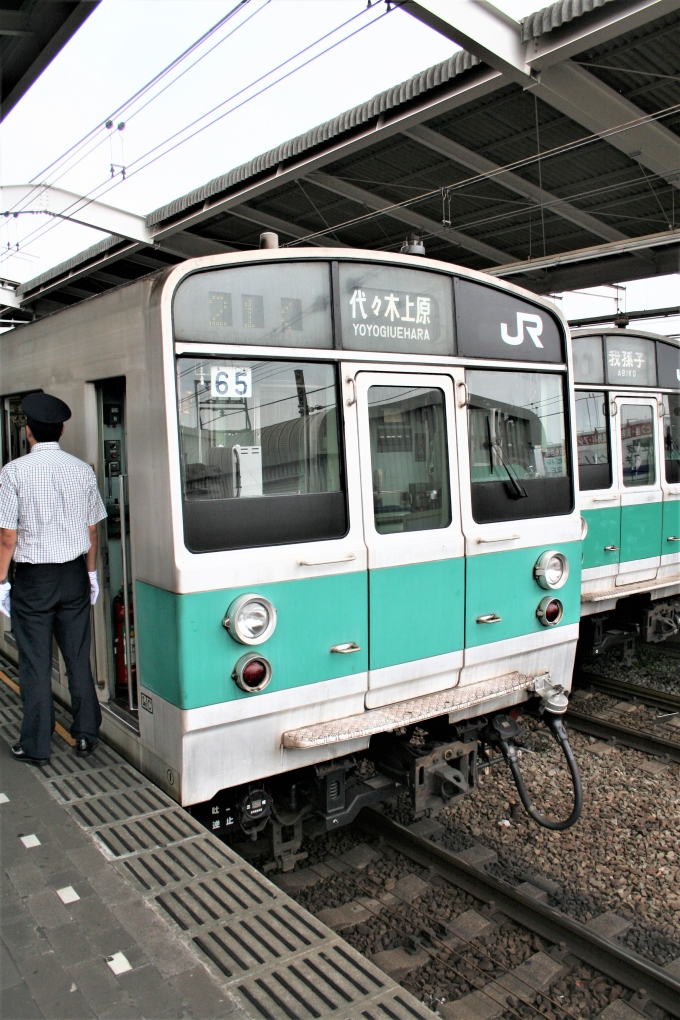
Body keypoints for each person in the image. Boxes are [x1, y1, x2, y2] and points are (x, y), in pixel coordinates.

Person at [0, 393, 108, 766]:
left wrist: (1, 582)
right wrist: (90, 574)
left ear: (28, 431)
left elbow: (7, 537)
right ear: (60, 430)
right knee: (77, 657)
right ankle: (86, 734)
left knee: (35, 662)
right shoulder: (82, 470)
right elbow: (92, 531)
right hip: (74, 575)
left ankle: (36, 745)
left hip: (34, 580)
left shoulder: (13, 472)